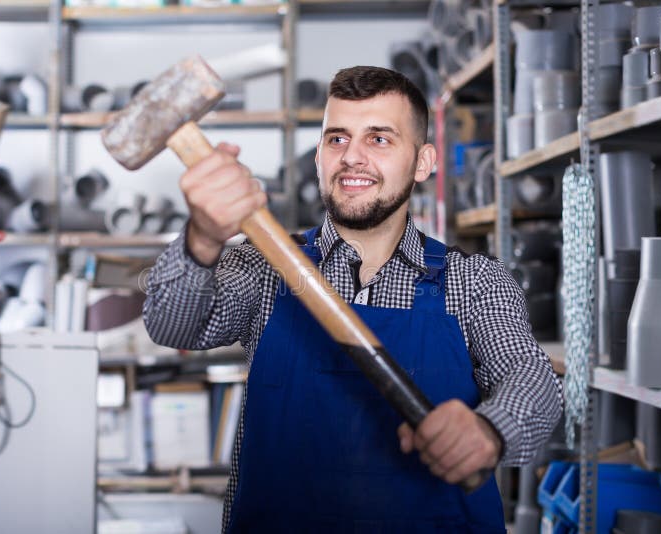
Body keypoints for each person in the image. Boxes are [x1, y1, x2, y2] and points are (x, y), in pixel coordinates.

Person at [144, 66, 563, 533]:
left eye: (379, 139)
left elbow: (532, 378)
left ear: (423, 162)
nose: (352, 158)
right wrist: (202, 237)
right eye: (336, 139)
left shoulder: (472, 282)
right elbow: (171, 325)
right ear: (319, 155)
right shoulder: (264, 267)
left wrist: (491, 430)